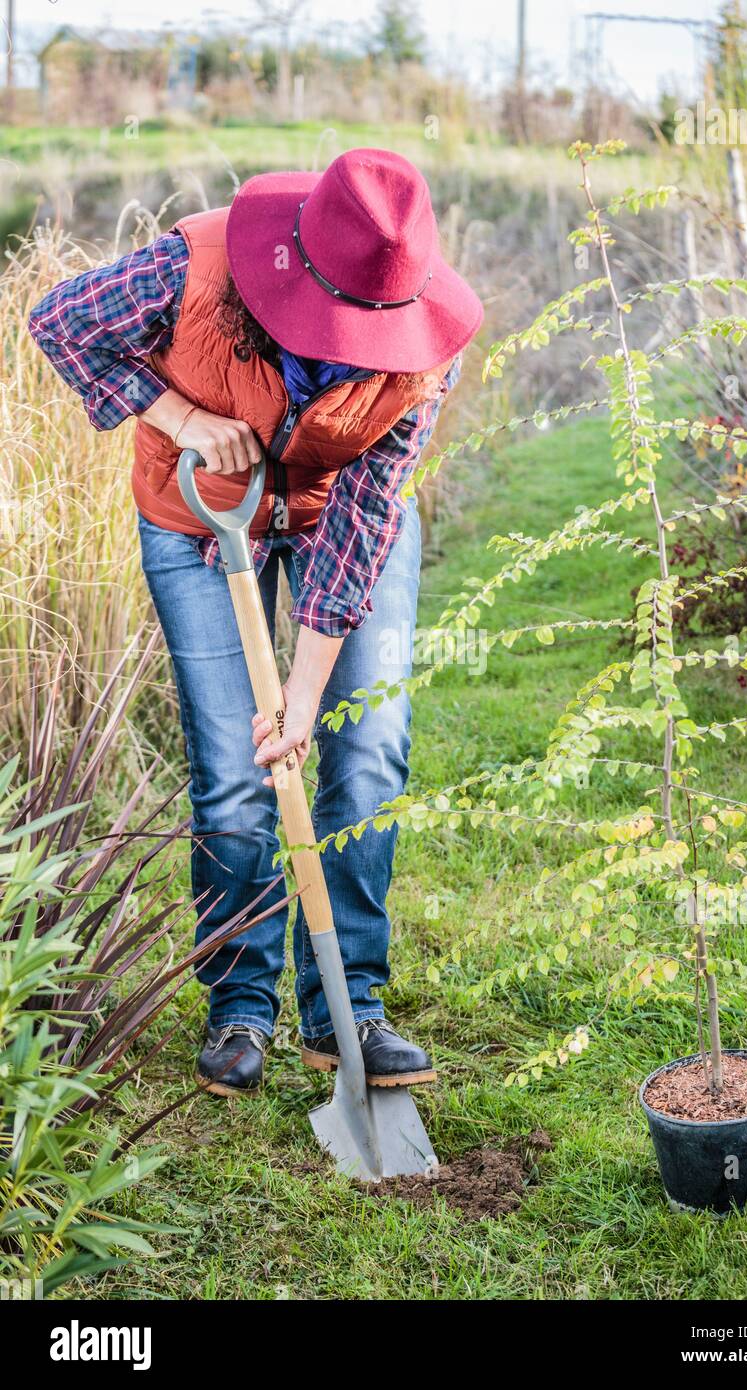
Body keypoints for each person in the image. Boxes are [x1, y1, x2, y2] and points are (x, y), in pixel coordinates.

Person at [30, 147, 483, 1095]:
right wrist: (182, 420)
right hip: (200, 518)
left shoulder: (424, 354)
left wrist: (308, 693)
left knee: (366, 749)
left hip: (335, 520)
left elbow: (365, 517)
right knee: (235, 771)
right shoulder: (190, 266)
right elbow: (60, 322)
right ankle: (241, 1004)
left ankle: (348, 1004)